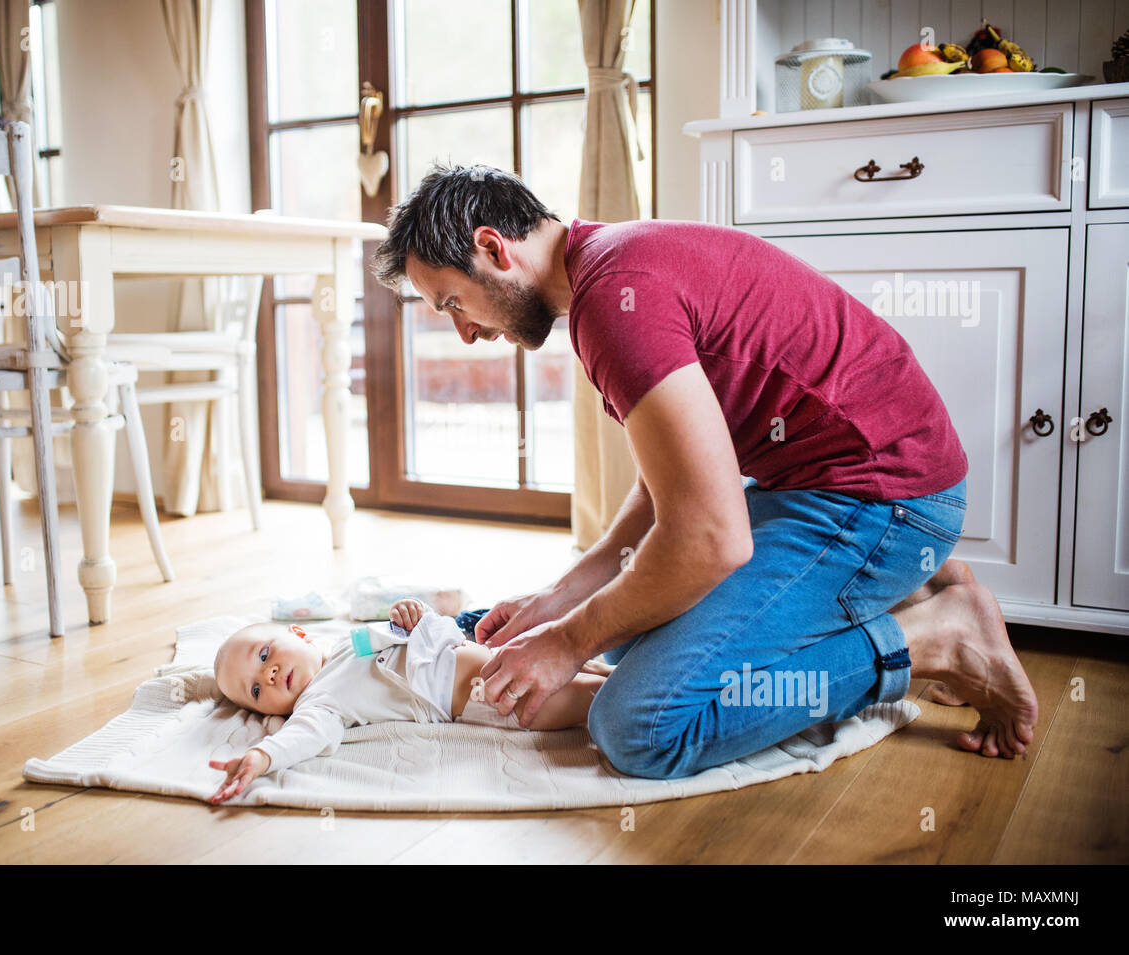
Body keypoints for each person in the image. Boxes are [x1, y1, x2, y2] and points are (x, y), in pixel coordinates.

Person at [369, 163, 1038, 780]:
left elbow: (712, 537)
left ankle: (932, 636)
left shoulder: (614, 301)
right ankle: (902, 585)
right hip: (830, 477)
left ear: (492, 248)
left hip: (882, 494)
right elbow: (669, 488)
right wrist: (562, 599)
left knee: (638, 723)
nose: (464, 331)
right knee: (629, 646)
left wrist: (569, 642)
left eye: (452, 302)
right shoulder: (609, 264)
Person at [207, 597, 610, 804]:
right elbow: (303, 737)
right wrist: (262, 757)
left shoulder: (349, 640)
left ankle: (638, 668)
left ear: (298, 633)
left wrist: (412, 611)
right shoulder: (319, 704)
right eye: (257, 691)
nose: (269, 674)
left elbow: (413, 630)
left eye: (264, 656)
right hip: (487, 697)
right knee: (595, 700)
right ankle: (646, 699)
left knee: (588, 666)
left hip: (491, 653)